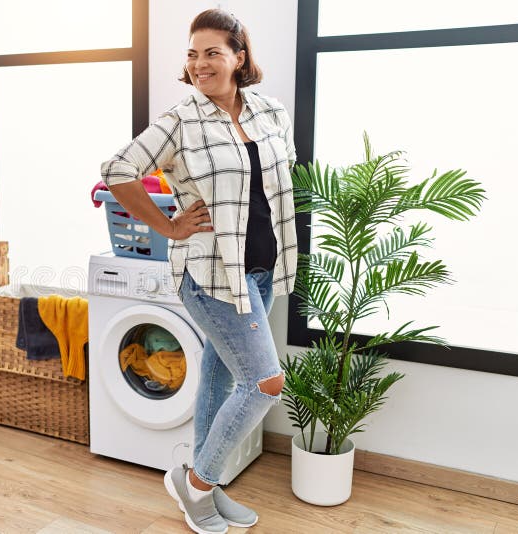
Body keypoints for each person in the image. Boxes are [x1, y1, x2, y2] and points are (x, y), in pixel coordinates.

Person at [100, 8, 297, 534]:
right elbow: (118, 170)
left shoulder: (270, 112)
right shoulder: (180, 120)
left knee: (217, 372)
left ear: (239, 57)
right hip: (209, 274)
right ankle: (198, 484)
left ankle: (202, 488)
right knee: (265, 383)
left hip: (260, 269)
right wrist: (168, 227)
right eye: (192, 53)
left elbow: (278, 184)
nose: (200, 63)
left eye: (213, 52)